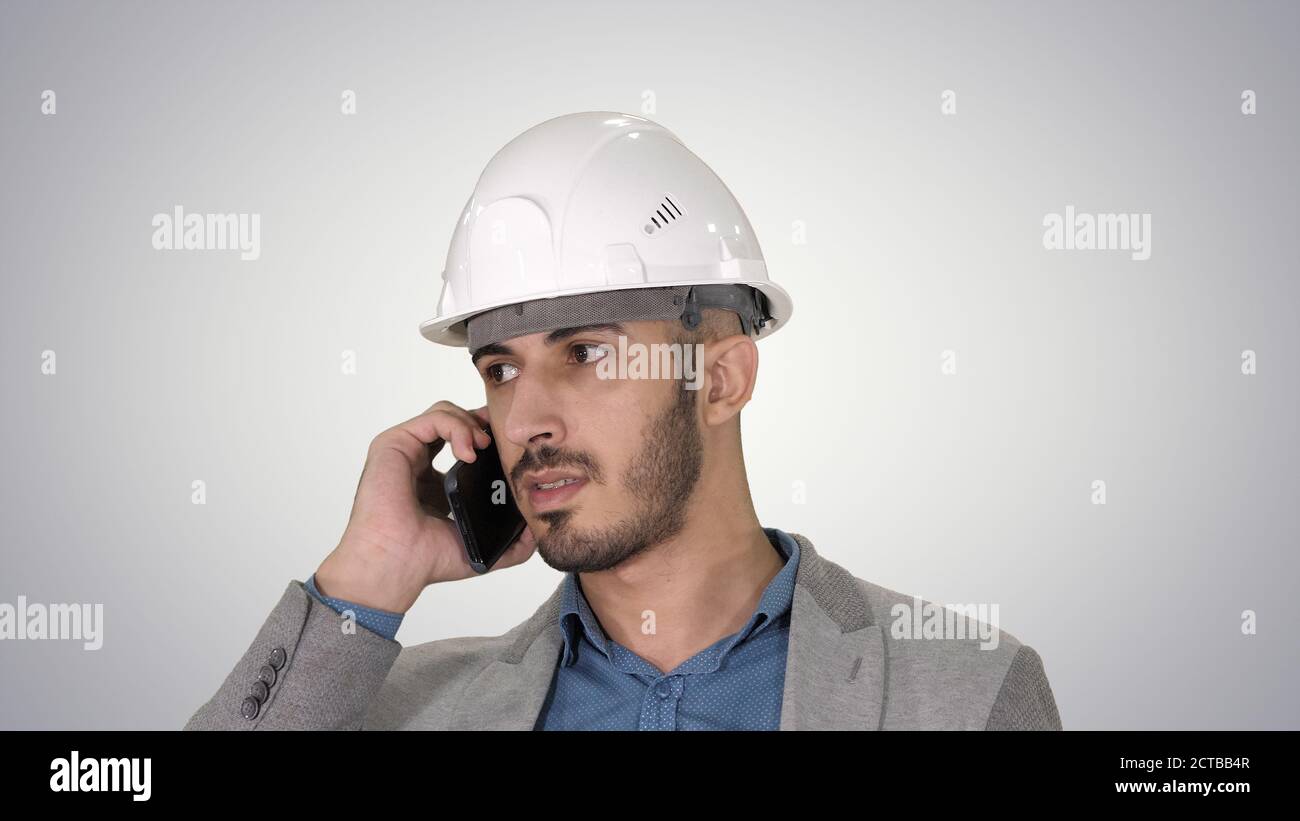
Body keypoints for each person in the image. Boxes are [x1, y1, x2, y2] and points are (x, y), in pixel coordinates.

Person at [184, 112, 1061, 730]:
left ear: (719, 377)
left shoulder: (961, 692)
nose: (526, 417)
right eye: (499, 368)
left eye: (587, 352)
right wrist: (362, 585)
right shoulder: (400, 702)